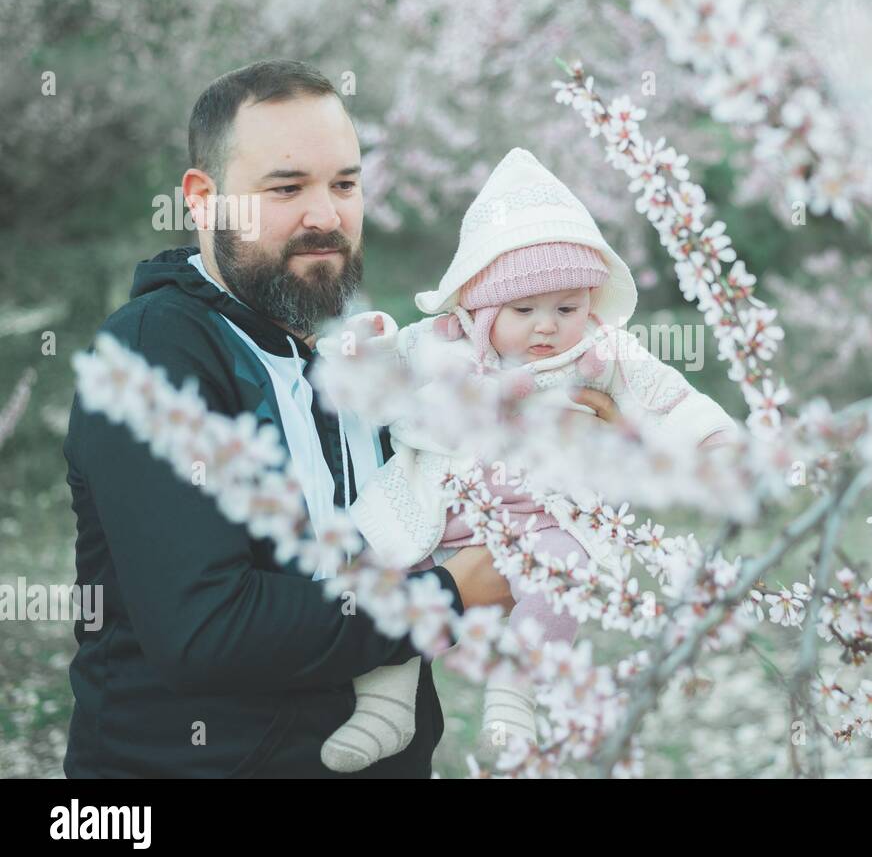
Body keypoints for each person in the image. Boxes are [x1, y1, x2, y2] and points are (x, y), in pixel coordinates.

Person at [61, 60, 621, 777]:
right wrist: (447, 594)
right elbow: (206, 631)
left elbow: (449, 491)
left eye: (345, 184)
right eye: (287, 187)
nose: (325, 215)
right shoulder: (153, 356)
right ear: (204, 201)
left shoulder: (366, 355)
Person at [315, 148, 738, 771]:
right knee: (385, 570)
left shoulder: (599, 354)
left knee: (563, 579)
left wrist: (714, 444)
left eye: (566, 308)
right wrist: (361, 344)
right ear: (482, 310)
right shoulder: (444, 345)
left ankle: (515, 701)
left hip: (548, 515)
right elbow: (384, 362)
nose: (547, 327)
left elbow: (668, 397)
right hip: (442, 503)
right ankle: (385, 709)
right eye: (524, 311)